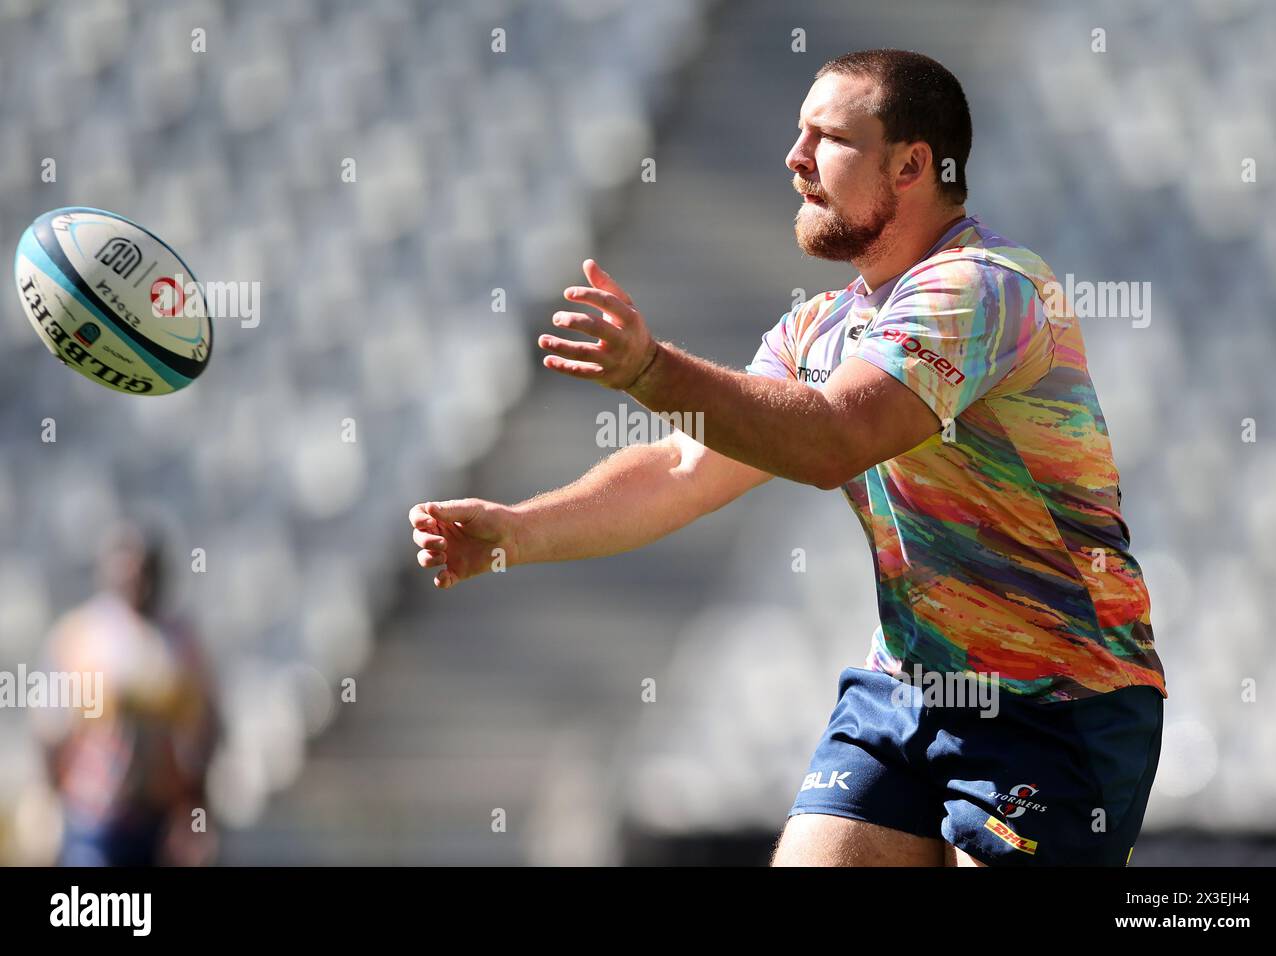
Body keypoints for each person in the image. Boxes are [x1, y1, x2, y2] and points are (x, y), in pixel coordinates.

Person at [408, 49, 1164, 867]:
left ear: (912, 164)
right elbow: (683, 471)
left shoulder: (983, 287)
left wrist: (651, 370)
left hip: (1056, 700)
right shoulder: (818, 328)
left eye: (827, 136)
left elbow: (834, 435)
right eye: (797, 132)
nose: (794, 158)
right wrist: (516, 532)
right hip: (909, 685)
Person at [36, 522, 220, 866]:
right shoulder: (80, 638)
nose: (136, 580)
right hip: (95, 815)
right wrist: (52, 803)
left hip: (161, 815)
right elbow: (49, 733)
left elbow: (206, 731)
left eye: (144, 569)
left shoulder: (181, 643)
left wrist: (196, 812)